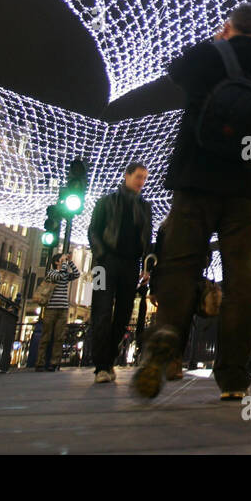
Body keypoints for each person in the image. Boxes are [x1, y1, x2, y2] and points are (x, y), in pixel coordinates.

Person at [135, 2, 251, 401]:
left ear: (228, 27)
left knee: (181, 268)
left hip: (195, 179)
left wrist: (216, 46)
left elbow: (177, 73)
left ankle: (166, 337)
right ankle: (234, 377)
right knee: (241, 281)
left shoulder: (207, 55)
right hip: (246, 188)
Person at [88, 162, 153, 383]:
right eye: (138, 177)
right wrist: (101, 255)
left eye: (144, 178)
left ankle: (108, 360)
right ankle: (101, 366)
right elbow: (93, 231)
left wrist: (146, 266)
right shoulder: (105, 202)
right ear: (126, 176)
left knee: (124, 314)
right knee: (101, 311)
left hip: (130, 264)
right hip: (102, 264)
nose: (141, 182)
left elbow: (146, 239)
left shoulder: (145, 207)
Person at [35, 252, 80, 372]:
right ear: (56, 262)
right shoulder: (51, 273)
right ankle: (40, 362)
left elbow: (76, 274)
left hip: (63, 309)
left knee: (59, 337)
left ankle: (54, 362)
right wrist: (64, 264)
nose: (64, 260)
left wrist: (70, 262)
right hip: (51, 308)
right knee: (46, 336)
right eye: (61, 259)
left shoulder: (64, 274)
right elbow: (60, 276)